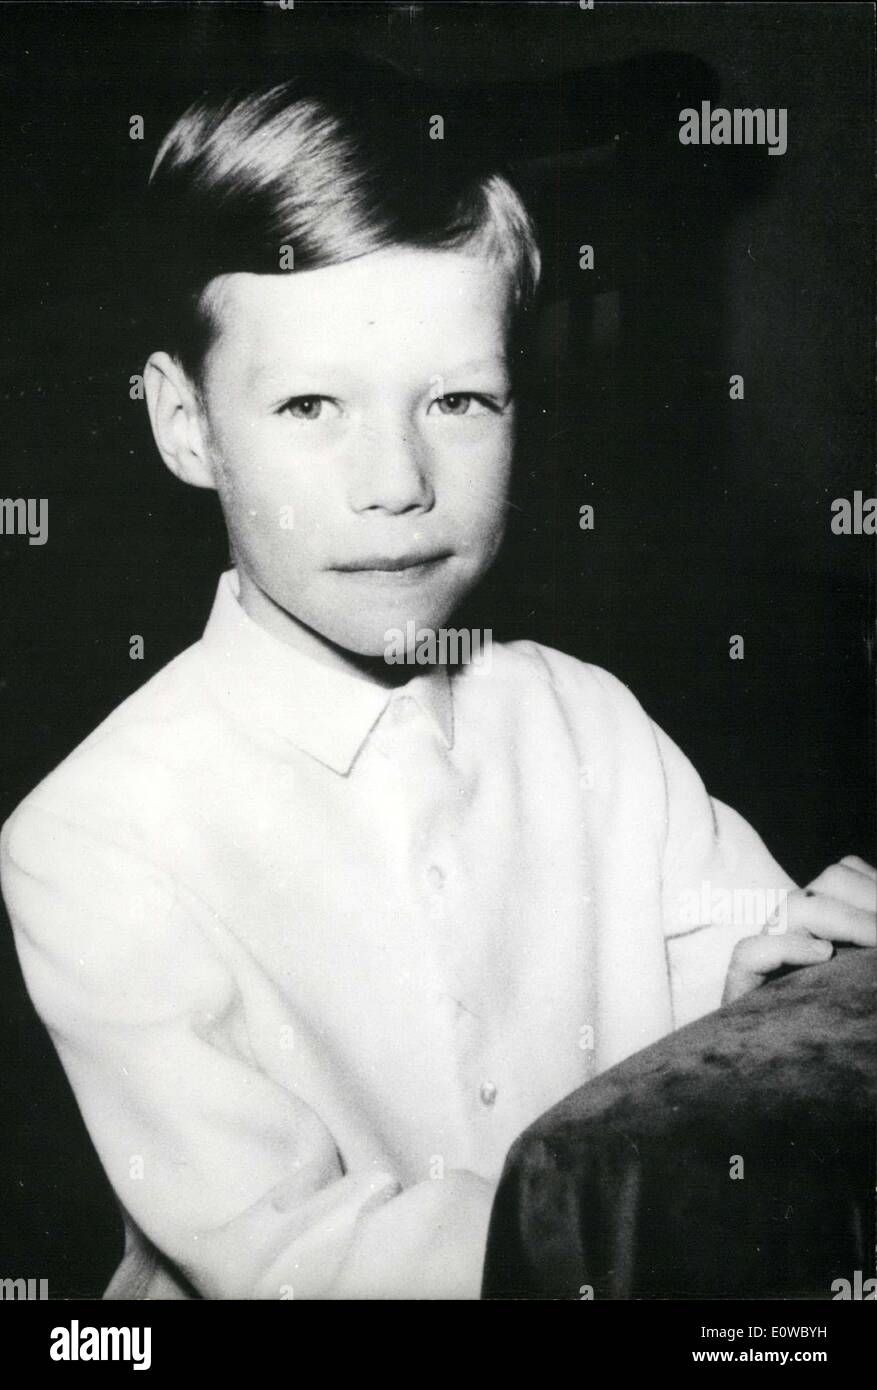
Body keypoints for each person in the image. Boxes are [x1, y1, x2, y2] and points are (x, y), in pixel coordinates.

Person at [1, 56, 874, 1301]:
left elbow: (705, 1049)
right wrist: (635, 1231)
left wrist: (792, 986)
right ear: (185, 425)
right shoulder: (90, 838)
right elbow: (289, 1255)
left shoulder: (588, 720)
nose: (398, 482)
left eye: (458, 399)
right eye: (311, 406)